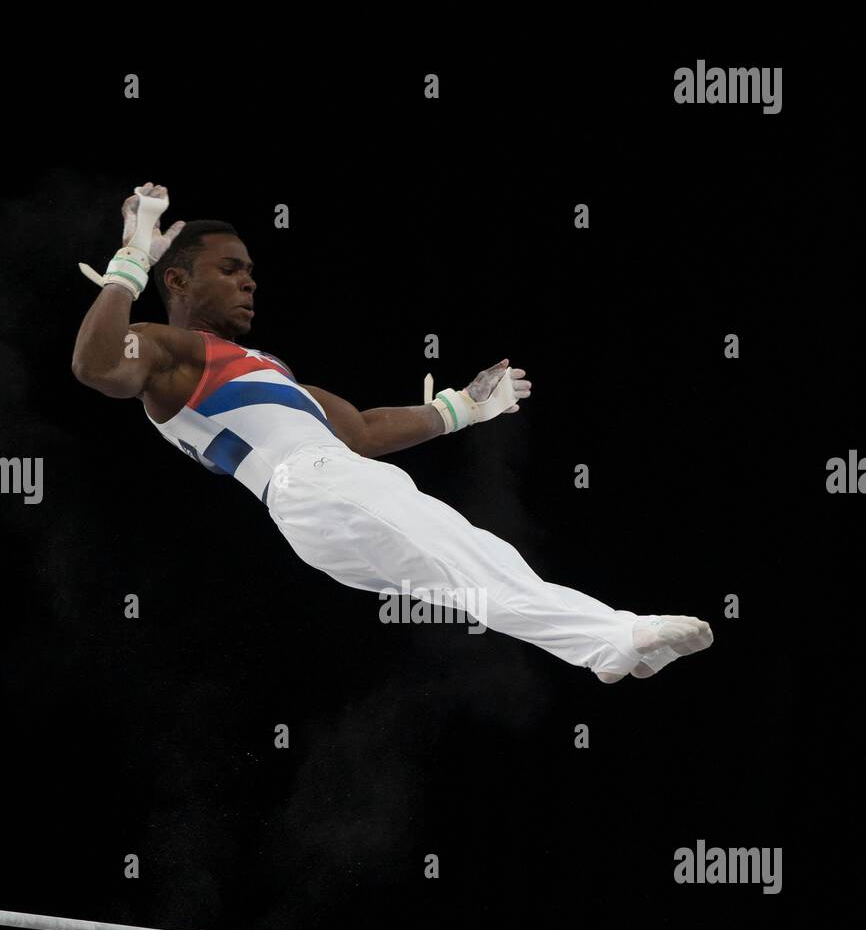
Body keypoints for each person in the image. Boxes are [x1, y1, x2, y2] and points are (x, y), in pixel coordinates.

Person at [72, 183, 713, 682]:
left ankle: (601, 643)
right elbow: (95, 365)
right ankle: (612, 637)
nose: (249, 282)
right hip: (310, 486)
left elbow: (363, 430)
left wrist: (462, 409)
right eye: (231, 270)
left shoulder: (266, 368)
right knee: (470, 556)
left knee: (471, 573)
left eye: (252, 274)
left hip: (321, 505)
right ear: (177, 280)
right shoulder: (163, 349)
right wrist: (131, 258)